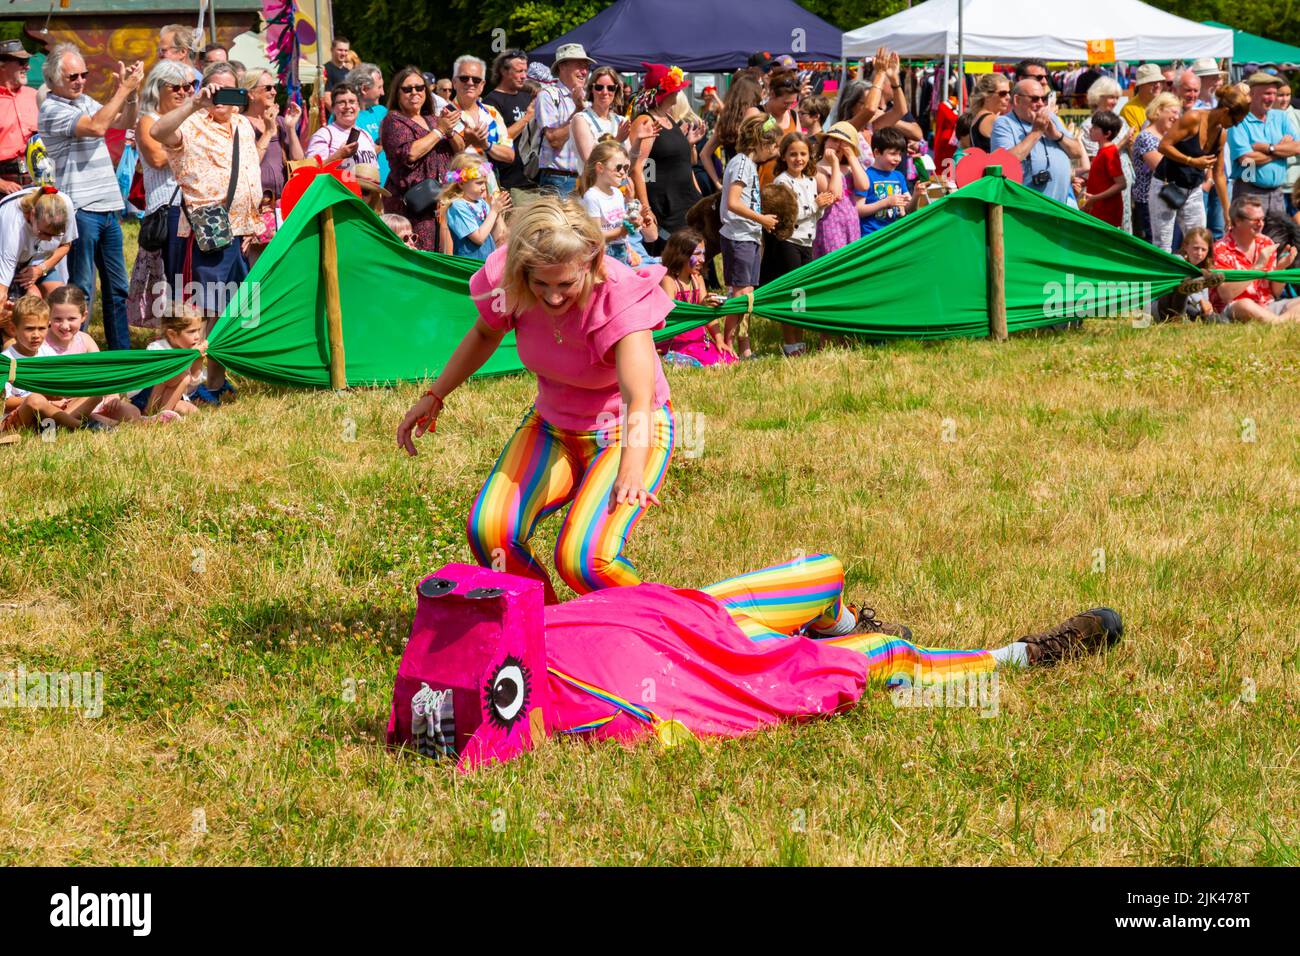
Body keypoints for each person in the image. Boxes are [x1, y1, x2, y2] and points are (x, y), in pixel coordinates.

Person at [396, 196, 676, 606]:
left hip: (627, 430)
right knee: (491, 532)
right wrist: (435, 394)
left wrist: (632, 469)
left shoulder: (618, 295)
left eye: (565, 284)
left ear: (592, 263)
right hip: (553, 425)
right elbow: (485, 334)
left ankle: (674, 621)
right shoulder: (510, 280)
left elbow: (639, 398)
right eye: (540, 284)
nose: (553, 297)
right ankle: (544, 628)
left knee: (585, 561)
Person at [150, 62, 262, 404]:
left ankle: (216, 379)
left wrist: (254, 223)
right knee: (206, 309)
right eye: (214, 89)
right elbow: (157, 133)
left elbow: (247, 173)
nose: (220, 98)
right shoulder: (192, 121)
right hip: (208, 235)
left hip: (243, 232)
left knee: (235, 311)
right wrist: (195, 103)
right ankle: (190, 384)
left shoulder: (243, 124)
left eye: (228, 90)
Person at [37, 43, 143, 352]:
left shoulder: (82, 100)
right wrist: (122, 89)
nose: (81, 81)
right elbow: (98, 127)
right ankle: (73, 355)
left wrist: (132, 95)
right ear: (53, 80)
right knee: (81, 289)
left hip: (108, 206)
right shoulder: (53, 109)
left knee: (118, 289)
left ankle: (120, 355)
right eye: (73, 76)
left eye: (84, 74)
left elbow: (122, 121)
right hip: (80, 209)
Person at [133, 59, 194, 323]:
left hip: (194, 207)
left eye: (189, 86)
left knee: (192, 277)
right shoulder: (148, 121)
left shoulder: (191, 120)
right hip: (167, 209)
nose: (184, 92)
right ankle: (172, 340)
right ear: (158, 89)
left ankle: (192, 336)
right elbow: (157, 158)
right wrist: (195, 150)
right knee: (173, 279)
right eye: (176, 87)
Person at [1153, 85, 1247, 253]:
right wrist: (1191, 161)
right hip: (1167, 186)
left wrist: (1227, 212)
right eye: (1235, 121)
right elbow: (1163, 146)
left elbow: (1219, 175)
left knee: (1199, 243)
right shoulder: (1193, 118)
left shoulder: (1222, 134)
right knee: (1163, 245)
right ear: (1225, 111)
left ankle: (1195, 278)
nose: (1235, 126)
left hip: (1193, 189)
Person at [380, 65, 463, 252]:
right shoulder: (394, 120)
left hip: (442, 202)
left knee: (445, 255)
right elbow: (410, 153)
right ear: (398, 93)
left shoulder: (433, 118)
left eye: (419, 87)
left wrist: (449, 131)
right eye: (407, 89)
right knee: (421, 254)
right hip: (415, 207)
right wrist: (439, 130)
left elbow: (460, 149)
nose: (414, 93)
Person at [761, 131, 829, 356]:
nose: (798, 159)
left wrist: (821, 206)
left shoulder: (810, 180)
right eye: (793, 155)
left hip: (806, 242)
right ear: (784, 157)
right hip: (788, 242)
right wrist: (815, 205)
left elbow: (814, 216)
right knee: (793, 292)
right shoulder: (783, 182)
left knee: (801, 293)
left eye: (803, 154)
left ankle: (799, 340)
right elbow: (787, 216)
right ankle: (790, 342)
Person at [718, 114, 780, 358]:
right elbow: (733, 202)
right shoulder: (742, 164)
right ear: (760, 142)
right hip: (739, 235)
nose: (775, 151)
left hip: (748, 235)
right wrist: (761, 219)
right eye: (773, 145)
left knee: (748, 294)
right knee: (740, 294)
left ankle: (743, 346)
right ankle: (727, 345)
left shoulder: (748, 165)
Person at [629, 64, 704, 247]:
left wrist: (698, 193)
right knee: (674, 257)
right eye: (675, 89)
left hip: (686, 200)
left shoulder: (668, 119)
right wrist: (646, 209)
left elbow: (681, 161)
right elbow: (638, 167)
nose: (678, 92)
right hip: (666, 206)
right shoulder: (647, 121)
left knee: (694, 257)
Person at [42, 284, 140, 424]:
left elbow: (102, 373)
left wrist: (112, 395)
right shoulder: (42, 343)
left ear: (83, 316)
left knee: (131, 413)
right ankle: (86, 422)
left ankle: (91, 420)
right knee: (95, 401)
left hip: (86, 399)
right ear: (48, 316)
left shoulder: (84, 340)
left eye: (71, 319)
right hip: (54, 405)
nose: (65, 326)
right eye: (57, 319)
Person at [1227, 73, 1300, 245]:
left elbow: (1297, 148)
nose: (1272, 98)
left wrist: (1267, 148)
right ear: (1252, 95)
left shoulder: (1280, 117)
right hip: (1249, 190)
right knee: (1249, 241)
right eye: (1267, 93)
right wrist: (1281, 150)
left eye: (1274, 93)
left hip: (1276, 193)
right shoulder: (1240, 120)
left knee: (1278, 242)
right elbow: (1246, 160)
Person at [990, 77, 1086, 209]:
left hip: (1059, 207)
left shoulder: (1052, 118)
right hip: (1027, 210)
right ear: (1017, 100)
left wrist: (1057, 136)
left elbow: (1077, 152)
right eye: (1035, 99)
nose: (1041, 104)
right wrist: (1036, 132)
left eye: (1044, 98)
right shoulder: (1004, 123)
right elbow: (1005, 163)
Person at [1210, 193, 1300, 323]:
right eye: (1255, 220)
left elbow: (1275, 292)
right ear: (1238, 221)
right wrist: (1257, 267)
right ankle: (1283, 321)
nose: (1261, 224)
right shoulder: (1220, 249)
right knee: (1245, 304)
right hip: (1234, 307)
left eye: (1262, 219)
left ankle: (1277, 321)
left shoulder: (1266, 243)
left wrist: (1281, 268)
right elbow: (1225, 295)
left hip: (1266, 306)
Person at [655, 227, 732, 366]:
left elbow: (707, 315)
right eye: (697, 254)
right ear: (681, 255)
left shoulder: (698, 279)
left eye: (703, 254)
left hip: (698, 338)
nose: (702, 259)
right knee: (704, 362)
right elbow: (671, 315)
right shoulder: (668, 280)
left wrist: (719, 340)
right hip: (675, 338)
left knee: (727, 359)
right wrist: (700, 308)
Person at [127, 302, 210, 416]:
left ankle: (163, 414)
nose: (197, 336)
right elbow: (158, 376)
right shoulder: (157, 348)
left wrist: (197, 360)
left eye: (198, 330)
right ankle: (150, 413)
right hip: (147, 396)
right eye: (191, 331)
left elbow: (191, 387)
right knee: (184, 376)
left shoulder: (188, 349)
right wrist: (189, 357)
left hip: (171, 396)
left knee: (193, 411)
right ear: (172, 334)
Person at [534, 43, 595, 196]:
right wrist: (579, 111)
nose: (584, 71)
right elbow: (554, 140)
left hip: (586, 179)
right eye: (579, 65)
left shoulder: (590, 99)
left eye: (586, 66)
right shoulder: (548, 95)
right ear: (562, 67)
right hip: (559, 180)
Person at [1077, 77, 1134, 232]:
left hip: (1121, 177)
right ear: (1098, 96)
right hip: (1105, 185)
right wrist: (1122, 142)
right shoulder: (1089, 125)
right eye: (1111, 97)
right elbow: (1095, 156)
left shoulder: (1120, 120)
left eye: (1117, 97)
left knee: (1124, 220)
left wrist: (1130, 144)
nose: (1114, 101)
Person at [0, 185, 73, 302]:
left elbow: (65, 245)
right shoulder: (13, 227)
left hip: (38, 263)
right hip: (9, 263)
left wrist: (40, 270)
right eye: (44, 233)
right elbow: (2, 289)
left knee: (62, 300)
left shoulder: (65, 206)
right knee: (31, 300)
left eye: (55, 235)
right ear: (32, 214)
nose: (49, 240)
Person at [482, 50, 537, 204]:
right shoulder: (491, 101)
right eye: (519, 71)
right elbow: (499, 140)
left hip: (535, 179)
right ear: (503, 71)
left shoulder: (526, 97)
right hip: (513, 183)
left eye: (525, 71)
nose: (524, 76)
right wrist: (527, 117)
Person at [448, 55, 514, 176]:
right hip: (457, 188)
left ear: (482, 85)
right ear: (454, 82)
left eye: (476, 80)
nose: (470, 83)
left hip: (491, 188)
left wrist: (485, 145)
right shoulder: (443, 114)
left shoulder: (492, 113)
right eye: (464, 78)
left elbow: (509, 155)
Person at [1131, 92, 1181, 243]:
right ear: (1159, 110)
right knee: (1157, 246)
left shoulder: (1168, 137)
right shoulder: (1145, 137)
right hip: (1149, 204)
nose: (1177, 117)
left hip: (1169, 200)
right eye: (1173, 112)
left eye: (1179, 113)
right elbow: (1162, 169)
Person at [813, 122, 868, 257]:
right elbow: (834, 194)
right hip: (830, 224)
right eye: (834, 139)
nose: (837, 145)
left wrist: (851, 156)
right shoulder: (818, 168)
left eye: (844, 143)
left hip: (851, 222)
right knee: (835, 259)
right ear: (825, 142)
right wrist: (835, 164)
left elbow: (864, 185)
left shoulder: (849, 168)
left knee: (852, 260)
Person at [440, 153, 509, 260]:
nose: (483, 187)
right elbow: (479, 238)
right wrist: (494, 211)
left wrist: (498, 211)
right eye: (479, 183)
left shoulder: (481, 203)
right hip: (470, 265)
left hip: (485, 263)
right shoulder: (457, 206)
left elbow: (498, 237)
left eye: (484, 183)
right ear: (461, 184)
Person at [579, 139, 637, 264]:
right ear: (600, 168)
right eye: (618, 167)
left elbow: (622, 222)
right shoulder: (592, 197)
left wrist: (632, 206)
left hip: (621, 248)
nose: (623, 172)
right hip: (604, 252)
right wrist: (621, 231)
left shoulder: (617, 193)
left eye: (625, 168)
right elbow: (595, 236)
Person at [702, 72, 763, 187]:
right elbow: (704, 154)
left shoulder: (727, 120)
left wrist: (717, 184)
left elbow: (704, 154)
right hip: (754, 180)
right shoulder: (758, 116)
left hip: (732, 179)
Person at [856, 126, 915, 234]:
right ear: (877, 152)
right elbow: (858, 210)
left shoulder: (899, 176)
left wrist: (917, 194)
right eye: (893, 154)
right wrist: (886, 202)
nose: (898, 159)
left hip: (894, 233)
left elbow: (908, 208)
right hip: (871, 235)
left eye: (900, 154)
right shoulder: (866, 176)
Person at [0, 40, 37, 193]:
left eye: (27, 61)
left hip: (37, 180)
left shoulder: (36, 96)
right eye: (21, 62)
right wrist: (1, 184)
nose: (27, 67)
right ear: (2, 64)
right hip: (5, 183)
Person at [345, 63, 389, 187]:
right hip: (364, 190)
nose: (383, 93)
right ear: (364, 89)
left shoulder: (381, 111)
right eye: (379, 87)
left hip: (389, 191)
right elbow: (346, 156)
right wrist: (379, 146)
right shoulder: (345, 117)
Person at [572, 65, 627, 164]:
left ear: (616, 90)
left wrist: (638, 141)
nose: (605, 92)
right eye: (599, 87)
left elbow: (629, 161)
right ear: (591, 89)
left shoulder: (621, 120)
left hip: (620, 179)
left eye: (610, 88)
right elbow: (590, 160)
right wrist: (618, 140)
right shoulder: (581, 119)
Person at [1081, 110, 1125, 228]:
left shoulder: (1109, 152)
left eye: (1095, 128)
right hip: (1099, 209)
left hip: (1106, 211)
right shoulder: (1102, 152)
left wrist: (1095, 198)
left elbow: (1121, 184)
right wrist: (1086, 182)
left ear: (1107, 134)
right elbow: (1104, 178)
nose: (1090, 129)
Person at [968, 72, 1011, 152]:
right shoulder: (993, 119)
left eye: (1009, 93)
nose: (1008, 97)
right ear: (987, 96)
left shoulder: (978, 116)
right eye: (1003, 93)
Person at [1120, 64, 1163, 133]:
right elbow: (1135, 141)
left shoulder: (1165, 103)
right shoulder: (1129, 110)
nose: (1158, 85)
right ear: (1141, 85)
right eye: (1153, 82)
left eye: (1160, 81)